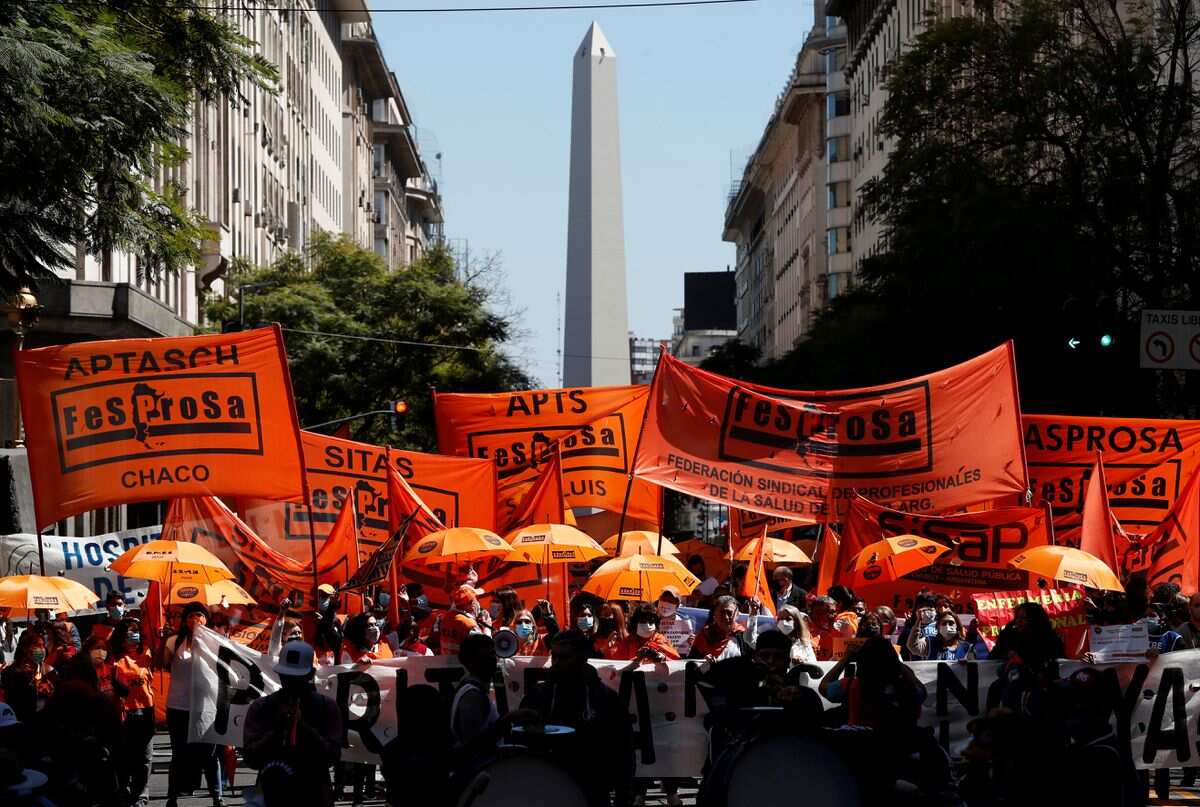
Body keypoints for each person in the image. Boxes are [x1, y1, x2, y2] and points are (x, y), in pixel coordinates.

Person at [520, 630, 635, 807]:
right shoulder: (538, 695)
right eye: (554, 656)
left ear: (582, 657)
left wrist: (623, 797)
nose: (556, 663)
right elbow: (522, 745)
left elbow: (624, 752)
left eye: (564, 657)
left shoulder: (606, 699)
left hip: (592, 789)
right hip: (546, 787)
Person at [244, 641, 343, 807]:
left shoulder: (326, 707)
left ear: (311, 675)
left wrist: (304, 728)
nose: (291, 684)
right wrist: (277, 731)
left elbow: (332, 756)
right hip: (273, 796)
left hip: (314, 797)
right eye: (286, 678)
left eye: (297, 679)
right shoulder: (262, 707)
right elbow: (251, 758)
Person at [159, 602, 223, 807]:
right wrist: (162, 640)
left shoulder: (215, 641)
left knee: (210, 755)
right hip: (179, 706)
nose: (195, 619)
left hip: (206, 707)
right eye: (190, 616)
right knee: (179, 754)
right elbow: (162, 663)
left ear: (206, 619)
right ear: (185, 621)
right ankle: (173, 797)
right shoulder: (174, 641)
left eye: (199, 615)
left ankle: (217, 797)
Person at [448, 634, 534, 772]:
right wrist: (508, 719)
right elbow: (473, 745)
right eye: (484, 658)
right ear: (469, 662)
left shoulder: (475, 691)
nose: (492, 660)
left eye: (493, 654)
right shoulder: (473, 697)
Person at [111, 618, 154, 807]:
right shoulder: (114, 659)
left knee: (145, 757)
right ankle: (124, 790)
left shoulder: (147, 653)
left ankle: (141, 795)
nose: (133, 637)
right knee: (125, 757)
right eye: (129, 633)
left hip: (146, 710)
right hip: (124, 713)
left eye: (135, 632)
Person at [0, 630, 52, 725]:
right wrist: (29, 683)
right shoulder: (11, 673)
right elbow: (14, 701)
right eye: (38, 645)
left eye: (43, 645)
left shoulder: (48, 671)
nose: (42, 649)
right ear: (25, 648)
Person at [688, 595, 751, 661]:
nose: (726, 617)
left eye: (729, 613)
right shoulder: (705, 635)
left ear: (737, 615)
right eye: (722, 613)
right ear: (714, 615)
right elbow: (692, 662)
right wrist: (703, 661)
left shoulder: (742, 636)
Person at [907, 612, 988, 661]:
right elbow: (912, 646)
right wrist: (918, 621)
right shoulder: (930, 643)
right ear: (938, 627)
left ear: (957, 627)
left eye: (951, 623)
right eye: (944, 623)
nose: (947, 626)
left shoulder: (965, 647)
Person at [616, 603, 681, 662]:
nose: (647, 625)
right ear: (635, 623)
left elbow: (675, 659)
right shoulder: (629, 641)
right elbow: (617, 662)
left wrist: (662, 657)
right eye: (643, 621)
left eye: (651, 621)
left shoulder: (661, 640)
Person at [438, 585, 485, 658]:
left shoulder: (446, 618)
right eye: (477, 599)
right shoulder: (468, 624)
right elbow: (485, 649)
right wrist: (486, 629)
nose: (478, 602)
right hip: (465, 664)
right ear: (470, 604)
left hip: (447, 662)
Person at [383, 590, 432, 657]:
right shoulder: (395, 643)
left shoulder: (426, 652)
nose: (411, 633)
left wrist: (407, 604)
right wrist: (406, 604)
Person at [657, 587, 696, 656]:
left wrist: (691, 643)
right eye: (664, 600)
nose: (666, 603)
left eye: (670, 601)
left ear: (677, 605)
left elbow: (685, 652)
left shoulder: (684, 624)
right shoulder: (651, 620)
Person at [313, 583, 343, 663]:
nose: (321, 598)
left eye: (325, 596)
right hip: (322, 634)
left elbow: (335, 606)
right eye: (320, 595)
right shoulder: (316, 606)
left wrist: (335, 601)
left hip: (332, 629)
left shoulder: (332, 605)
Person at [807, 596, 838, 661]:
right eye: (829, 612)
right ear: (815, 613)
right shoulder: (803, 632)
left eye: (834, 612)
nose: (833, 616)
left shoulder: (838, 632)